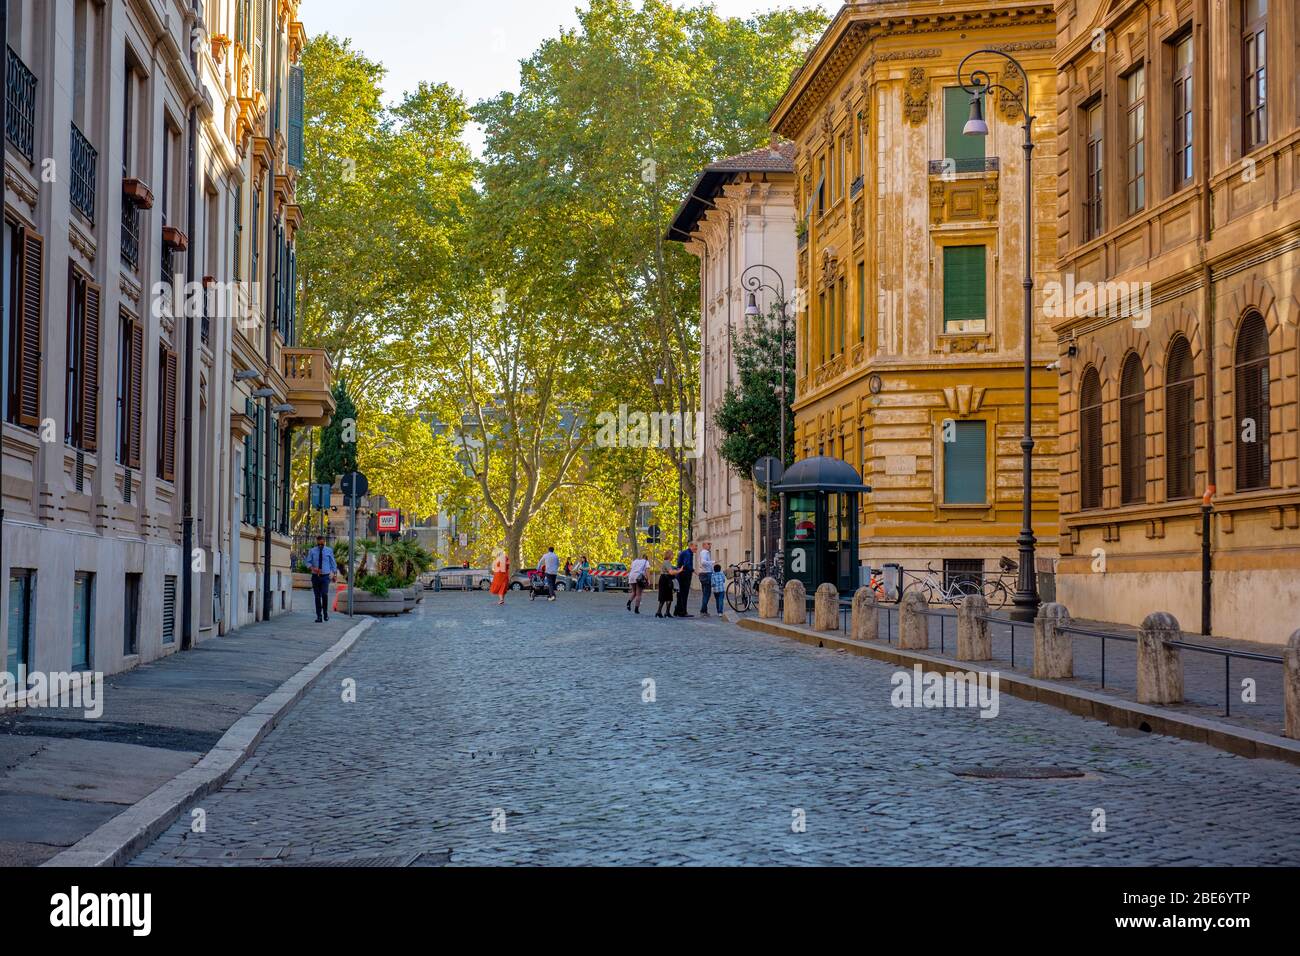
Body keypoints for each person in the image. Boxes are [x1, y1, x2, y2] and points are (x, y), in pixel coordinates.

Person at [306, 535, 338, 623]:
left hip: (325, 577)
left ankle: (325, 613)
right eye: (319, 544)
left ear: (324, 542)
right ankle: (319, 616)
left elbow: (333, 563)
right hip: (315, 577)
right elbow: (307, 562)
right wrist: (313, 568)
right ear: (317, 542)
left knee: (324, 594)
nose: (320, 546)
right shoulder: (312, 551)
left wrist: (335, 574)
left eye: (322, 544)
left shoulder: (329, 550)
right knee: (317, 596)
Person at [673, 541, 696, 618]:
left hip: (681, 574)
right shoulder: (688, 553)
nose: (696, 548)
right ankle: (683, 611)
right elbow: (686, 564)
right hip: (684, 575)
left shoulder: (686, 552)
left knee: (680, 593)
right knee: (684, 593)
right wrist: (694, 571)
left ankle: (678, 610)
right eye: (695, 546)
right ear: (691, 546)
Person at [655, 551, 678, 618]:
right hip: (665, 580)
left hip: (666, 579)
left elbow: (671, 569)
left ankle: (665, 612)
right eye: (672, 554)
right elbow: (671, 572)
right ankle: (660, 612)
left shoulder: (668, 562)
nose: (673, 556)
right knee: (664, 596)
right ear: (669, 555)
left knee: (668, 597)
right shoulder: (667, 562)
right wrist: (678, 571)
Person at [697, 540, 714, 615]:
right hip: (706, 574)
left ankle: (704, 610)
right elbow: (703, 562)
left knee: (705, 593)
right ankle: (703, 610)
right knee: (707, 593)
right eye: (708, 544)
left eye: (710, 544)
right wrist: (712, 562)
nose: (710, 545)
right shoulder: (705, 552)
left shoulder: (703, 552)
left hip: (703, 574)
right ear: (704, 545)